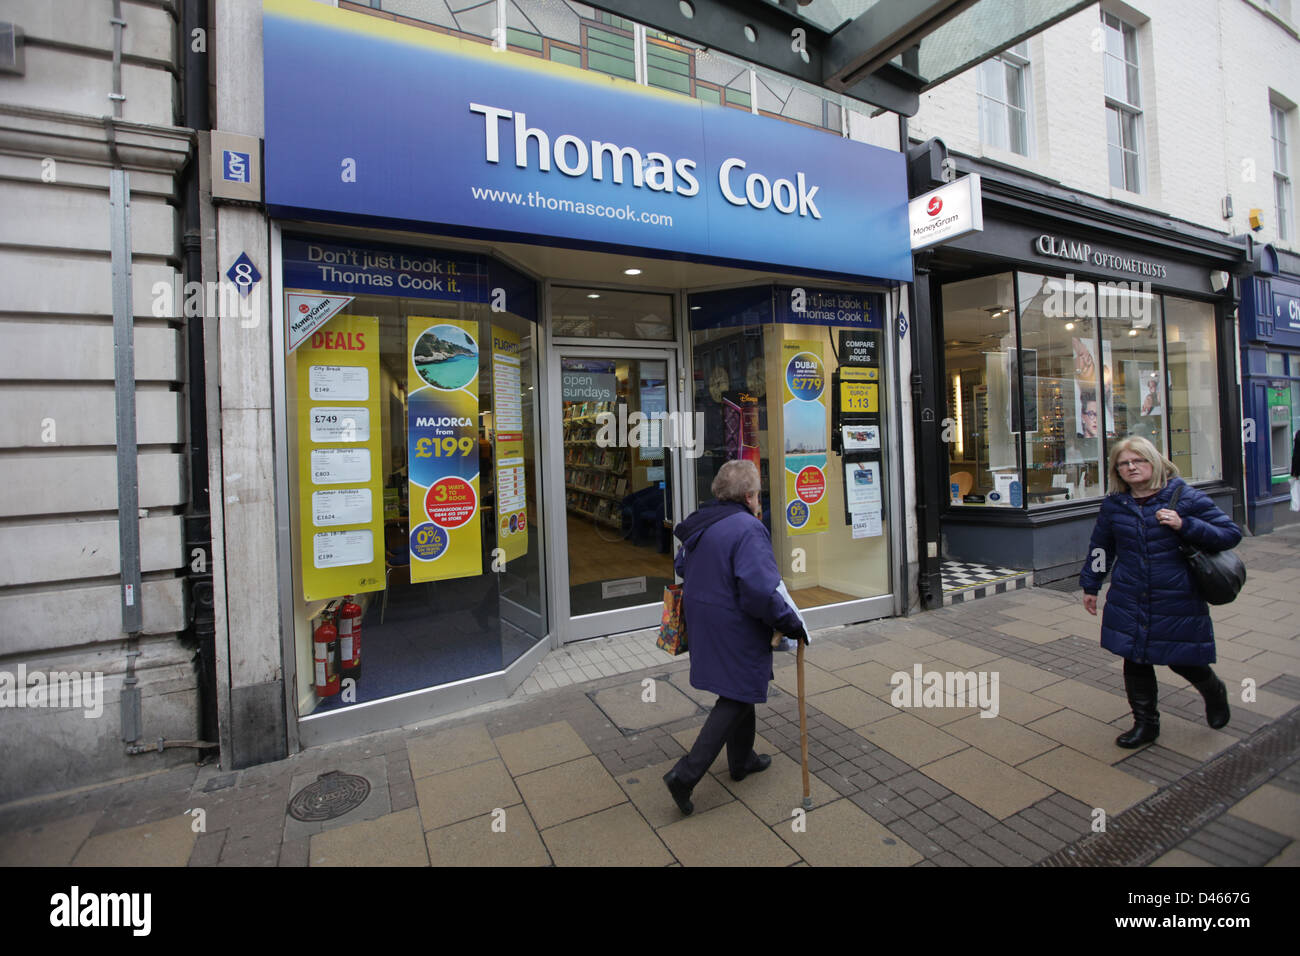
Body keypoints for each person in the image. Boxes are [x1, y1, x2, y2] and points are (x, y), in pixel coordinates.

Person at [663, 459, 807, 815]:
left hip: (705, 617)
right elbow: (759, 590)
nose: (760, 500)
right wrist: (791, 623)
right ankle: (685, 775)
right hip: (733, 623)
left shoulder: (704, 520)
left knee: (741, 687)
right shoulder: (747, 528)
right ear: (748, 496)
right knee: (738, 694)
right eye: (758, 494)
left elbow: (682, 565)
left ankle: (742, 760)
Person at [1079, 436, 1242, 748]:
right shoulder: (1115, 504)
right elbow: (1101, 546)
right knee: (1135, 657)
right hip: (1130, 592)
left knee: (1183, 658)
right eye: (1124, 463)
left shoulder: (1185, 497)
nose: (1131, 467)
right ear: (1116, 471)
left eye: (1138, 461)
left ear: (1153, 462)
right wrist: (1091, 584)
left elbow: (1230, 534)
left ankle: (1214, 691)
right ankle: (1145, 725)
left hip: (1176, 594)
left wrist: (1185, 524)